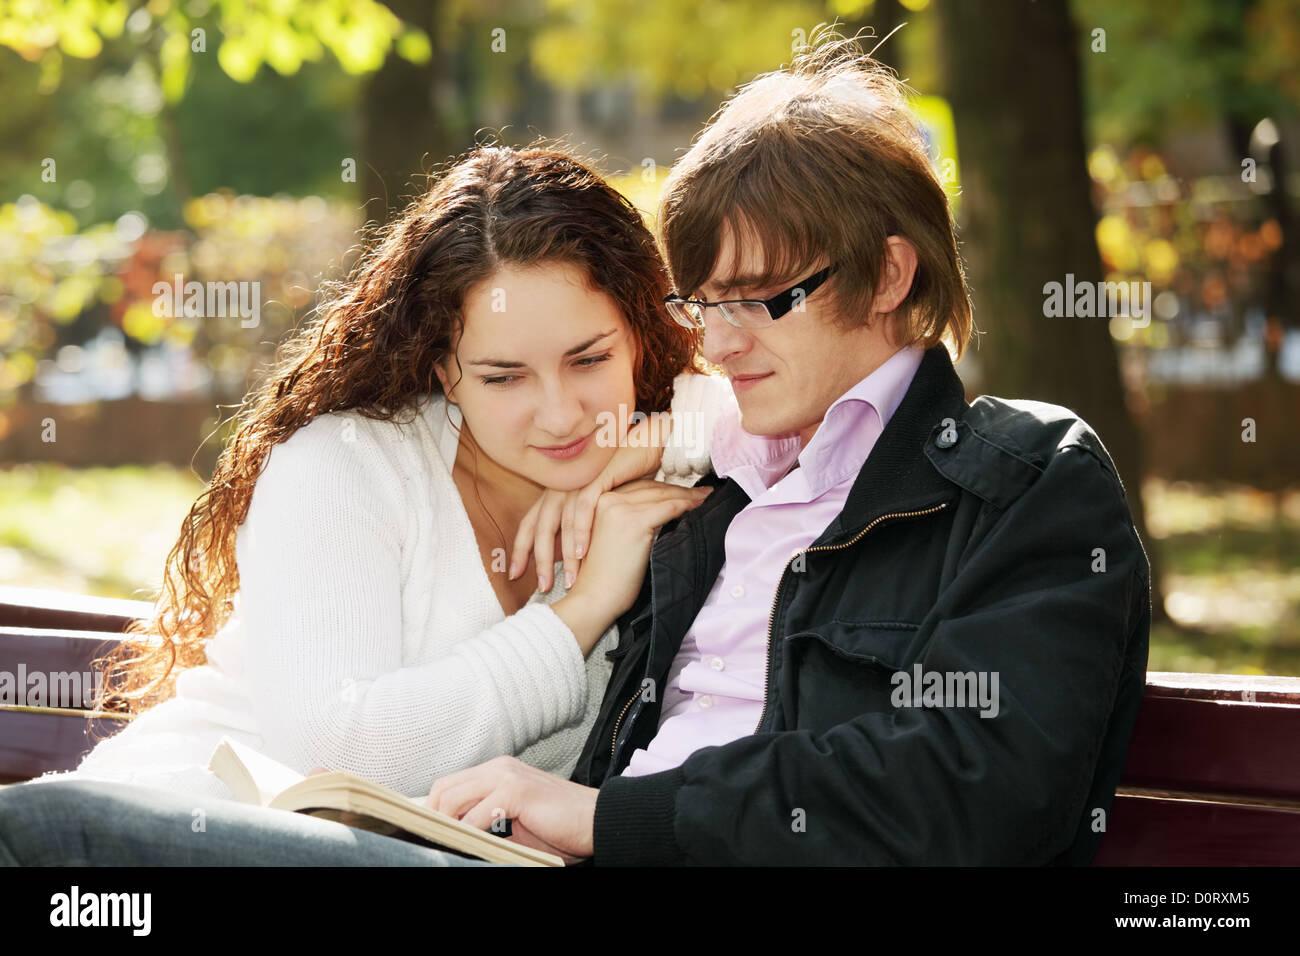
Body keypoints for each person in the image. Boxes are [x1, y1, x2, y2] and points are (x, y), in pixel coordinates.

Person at [0, 30, 1150, 867]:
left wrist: (602, 812)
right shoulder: (700, 473)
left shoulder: (1015, 480)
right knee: (64, 847)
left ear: (890, 275)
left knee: (51, 842)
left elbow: (971, 790)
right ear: (440, 365)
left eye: (762, 300)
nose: (724, 341)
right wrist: (602, 557)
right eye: (708, 305)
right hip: (298, 819)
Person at [18, 144, 733, 804]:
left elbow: (820, 410)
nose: (560, 415)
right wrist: (581, 609)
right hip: (182, 821)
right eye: (503, 377)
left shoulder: (670, 469)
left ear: (643, 332)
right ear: (443, 371)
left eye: (589, 360)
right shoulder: (347, 465)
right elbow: (343, 755)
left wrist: (674, 431)